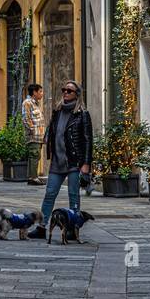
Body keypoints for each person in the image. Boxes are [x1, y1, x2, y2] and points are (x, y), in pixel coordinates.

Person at [28, 80, 92, 239]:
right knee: (50, 193)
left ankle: (72, 229)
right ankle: (42, 227)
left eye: (69, 91)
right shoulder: (58, 110)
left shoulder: (82, 114)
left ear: (77, 94)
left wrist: (86, 164)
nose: (65, 92)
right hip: (57, 161)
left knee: (73, 195)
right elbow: (54, 130)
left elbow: (88, 140)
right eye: (64, 90)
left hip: (73, 161)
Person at [21, 83, 46, 185]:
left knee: (36, 156)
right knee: (34, 155)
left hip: (38, 135)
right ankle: (33, 178)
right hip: (33, 135)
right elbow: (25, 118)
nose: (42, 93)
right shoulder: (27, 102)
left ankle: (32, 177)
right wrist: (32, 130)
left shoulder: (35, 103)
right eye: (40, 91)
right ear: (34, 92)